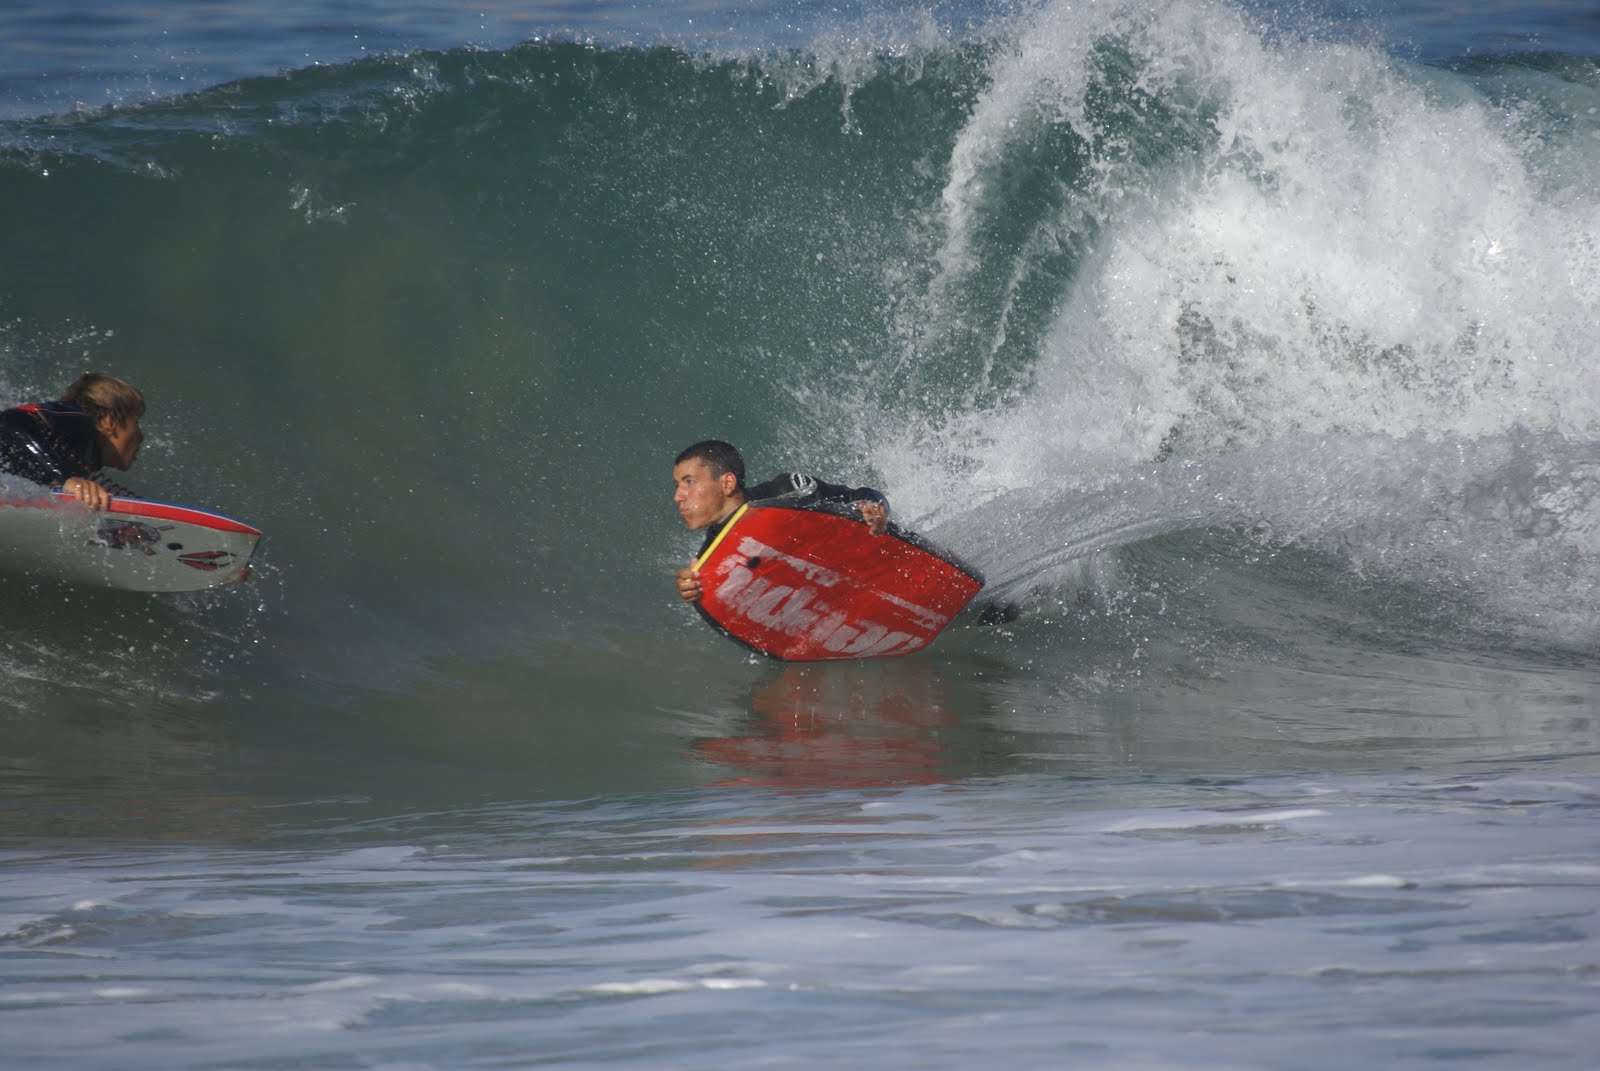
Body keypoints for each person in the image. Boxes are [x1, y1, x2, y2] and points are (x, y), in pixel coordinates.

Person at [672, 438, 889, 603]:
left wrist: (873, 511)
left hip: (873, 565)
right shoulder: (713, 553)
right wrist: (697, 589)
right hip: (836, 591)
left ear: (727, 483)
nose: (678, 496)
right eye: (677, 486)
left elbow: (859, 495)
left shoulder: (788, 491)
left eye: (689, 482)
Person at [0, 372, 145, 511]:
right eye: (136, 422)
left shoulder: (79, 460)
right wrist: (65, 478)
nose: (141, 436)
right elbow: (10, 421)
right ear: (110, 422)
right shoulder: (81, 422)